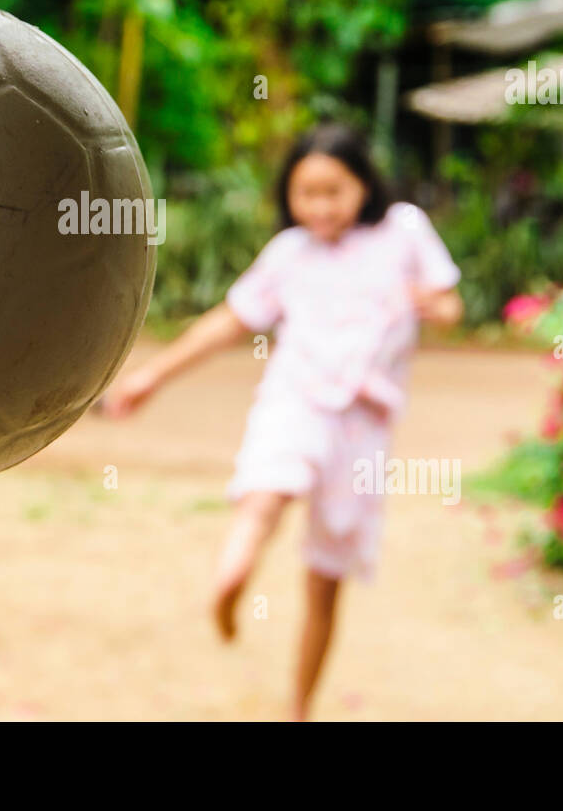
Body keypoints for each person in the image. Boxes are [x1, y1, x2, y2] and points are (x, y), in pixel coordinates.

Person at [100, 122, 463, 721]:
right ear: (288, 196)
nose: (320, 206)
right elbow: (226, 321)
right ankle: (233, 573)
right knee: (266, 494)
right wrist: (148, 378)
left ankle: (299, 707)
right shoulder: (290, 254)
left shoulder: (403, 230)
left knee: (325, 580)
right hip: (295, 397)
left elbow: (450, 302)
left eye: (334, 191)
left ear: (363, 185)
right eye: (306, 193)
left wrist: (436, 306)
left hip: (363, 423)